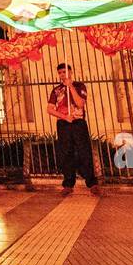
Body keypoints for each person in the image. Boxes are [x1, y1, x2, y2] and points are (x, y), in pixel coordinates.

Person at [48, 63, 99, 195]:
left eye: (65, 72)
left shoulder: (79, 86)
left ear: (71, 72)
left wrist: (70, 86)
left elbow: (80, 103)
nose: (62, 75)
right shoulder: (56, 90)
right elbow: (50, 109)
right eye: (60, 72)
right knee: (66, 153)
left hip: (78, 123)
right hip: (63, 124)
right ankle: (68, 183)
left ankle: (92, 183)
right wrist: (64, 117)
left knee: (84, 151)